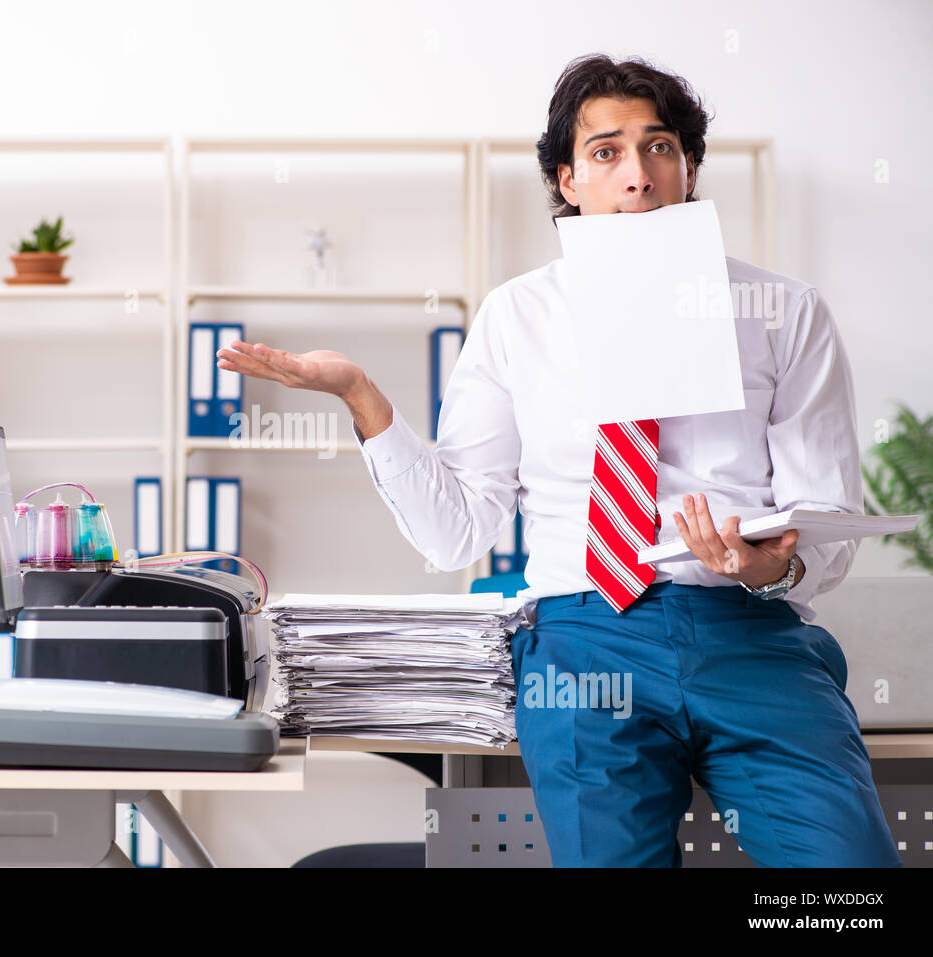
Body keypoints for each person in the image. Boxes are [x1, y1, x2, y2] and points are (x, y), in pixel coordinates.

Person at [215, 53, 901, 868]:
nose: (638, 176)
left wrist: (769, 572)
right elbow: (454, 529)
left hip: (748, 630)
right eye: (607, 152)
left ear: (688, 168)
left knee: (848, 885)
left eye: (659, 148)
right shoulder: (517, 318)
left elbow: (822, 519)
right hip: (583, 637)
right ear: (568, 181)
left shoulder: (784, 312)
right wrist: (362, 396)